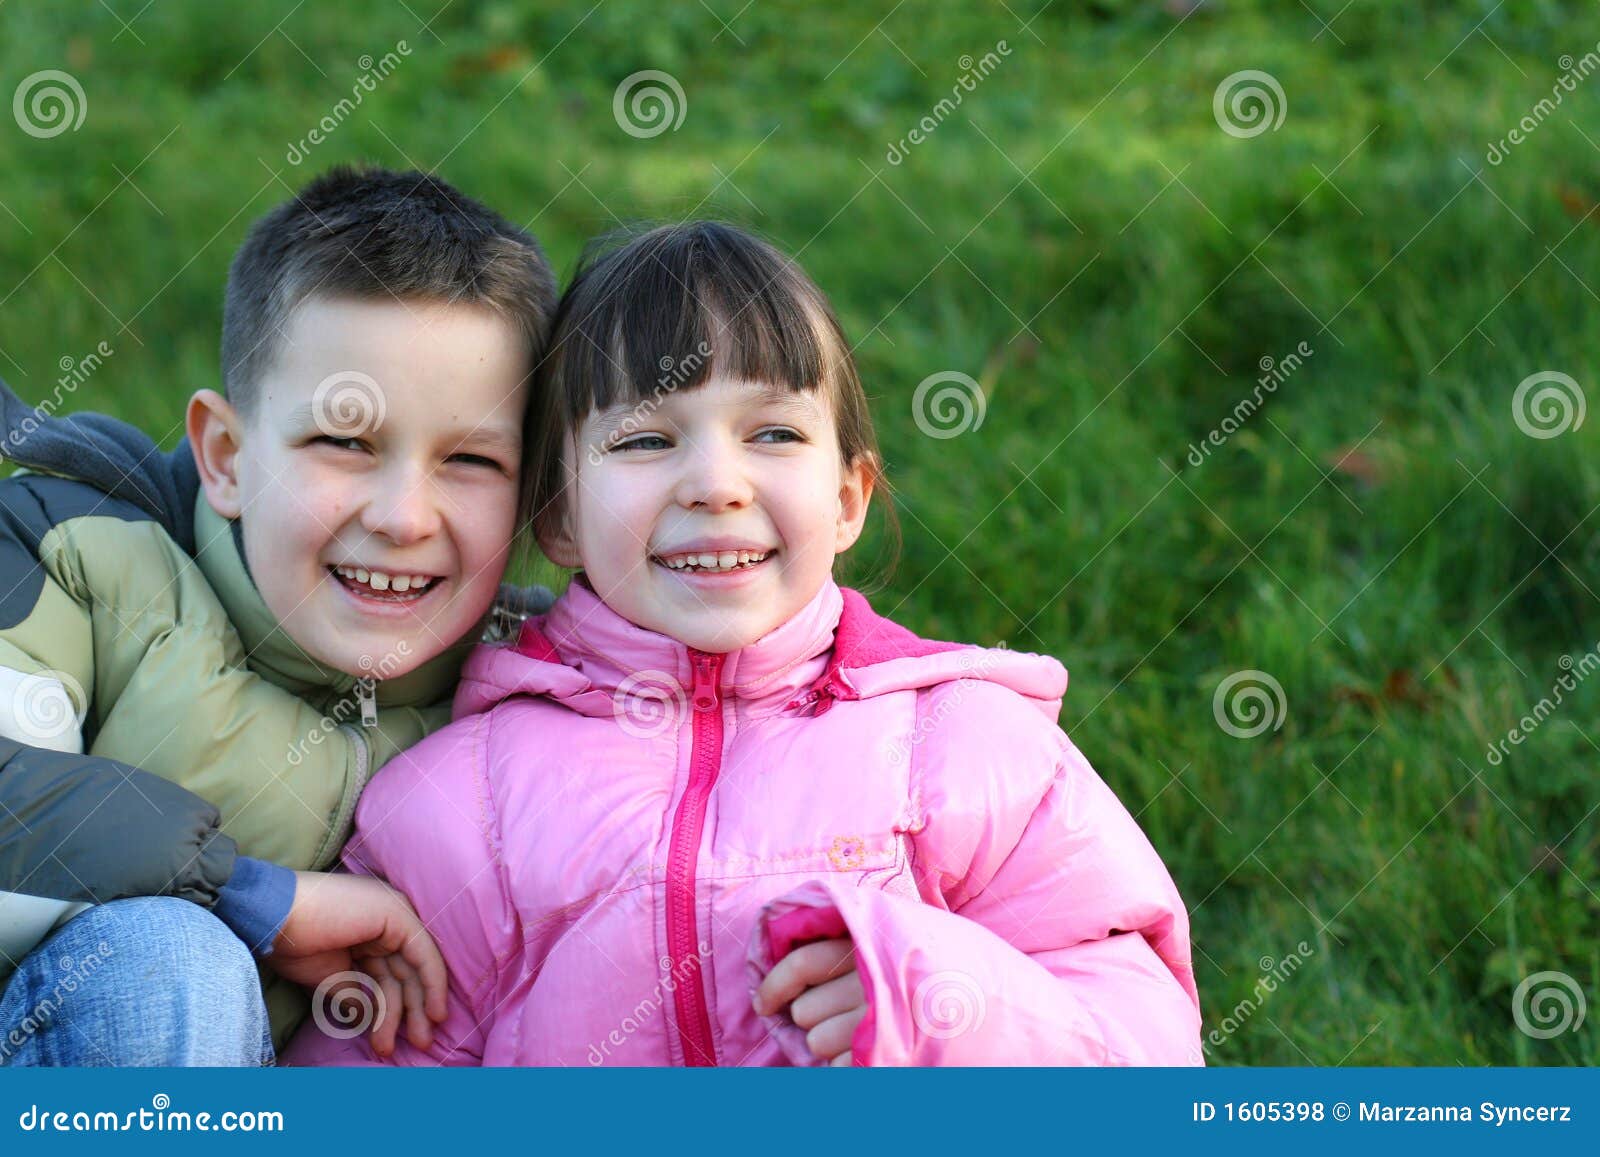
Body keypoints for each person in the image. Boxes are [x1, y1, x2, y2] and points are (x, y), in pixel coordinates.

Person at [286, 220, 1202, 1067]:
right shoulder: (465, 803)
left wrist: (942, 999)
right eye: (646, 440)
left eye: (772, 432)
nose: (715, 483)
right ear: (559, 517)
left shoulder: (974, 755)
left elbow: (1144, 1051)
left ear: (848, 497)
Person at [0, 164, 556, 1065]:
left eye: (470, 460)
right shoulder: (77, 555)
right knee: (172, 962)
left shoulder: (550, 679)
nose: (403, 516)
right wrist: (255, 896)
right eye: (344, 441)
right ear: (225, 454)